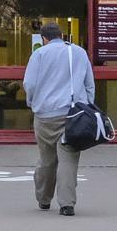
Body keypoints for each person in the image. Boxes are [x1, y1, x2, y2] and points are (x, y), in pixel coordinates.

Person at [22, 22, 95, 216]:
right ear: (62, 36)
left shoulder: (39, 54)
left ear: (44, 38)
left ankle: (44, 199)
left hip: (45, 114)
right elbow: (89, 84)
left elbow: (29, 83)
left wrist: (32, 102)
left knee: (47, 159)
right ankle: (67, 204)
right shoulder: (79, 53)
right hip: (73, 115)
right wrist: (87, 106)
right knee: (68, 159)